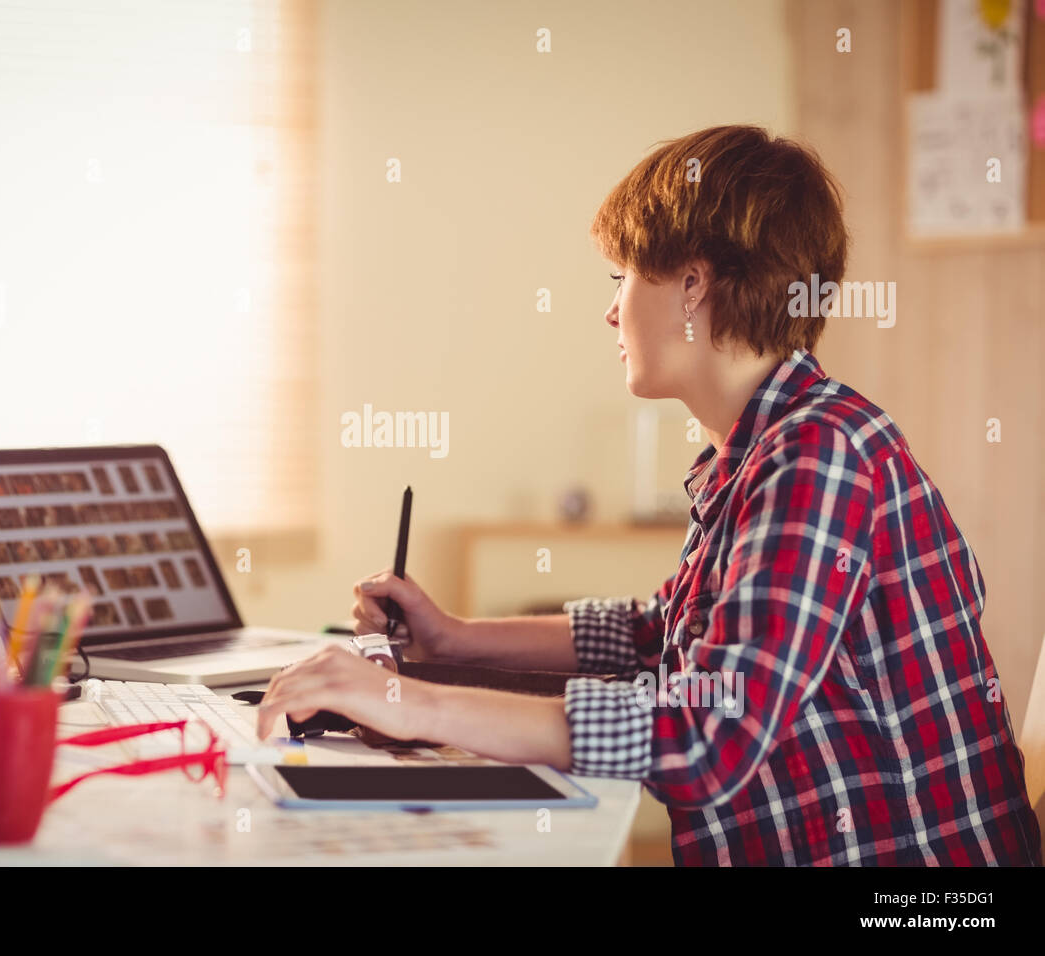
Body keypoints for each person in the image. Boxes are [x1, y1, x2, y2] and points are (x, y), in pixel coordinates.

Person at [254, 125, 1041, 866]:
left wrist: (406, 702)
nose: (611, 308)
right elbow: (655, 634)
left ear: (694, 285)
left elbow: (708, 735)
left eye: (622, 276)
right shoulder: (767, 450)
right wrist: (451, 640)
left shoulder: (820, 456)